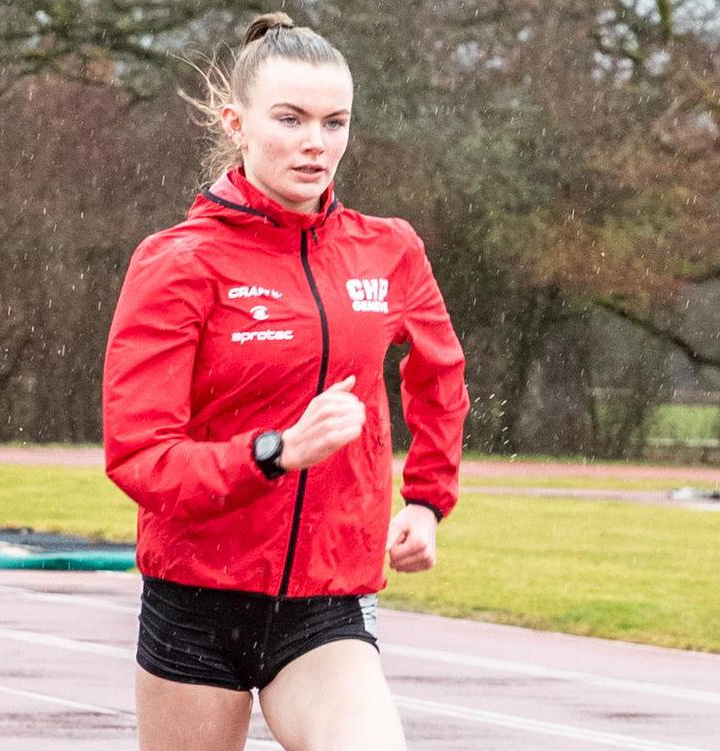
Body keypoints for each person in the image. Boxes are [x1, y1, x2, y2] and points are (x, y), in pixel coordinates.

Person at [102, 12, 469, 751]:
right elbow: (138, 456)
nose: (316, 142)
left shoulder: (388, 250)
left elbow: (440, 373)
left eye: (335, 122)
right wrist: (274, 452)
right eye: (291, 119)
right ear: (238, 124)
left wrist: (427, 500)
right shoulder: (178, 263)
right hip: (196, 599)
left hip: (327, 601)